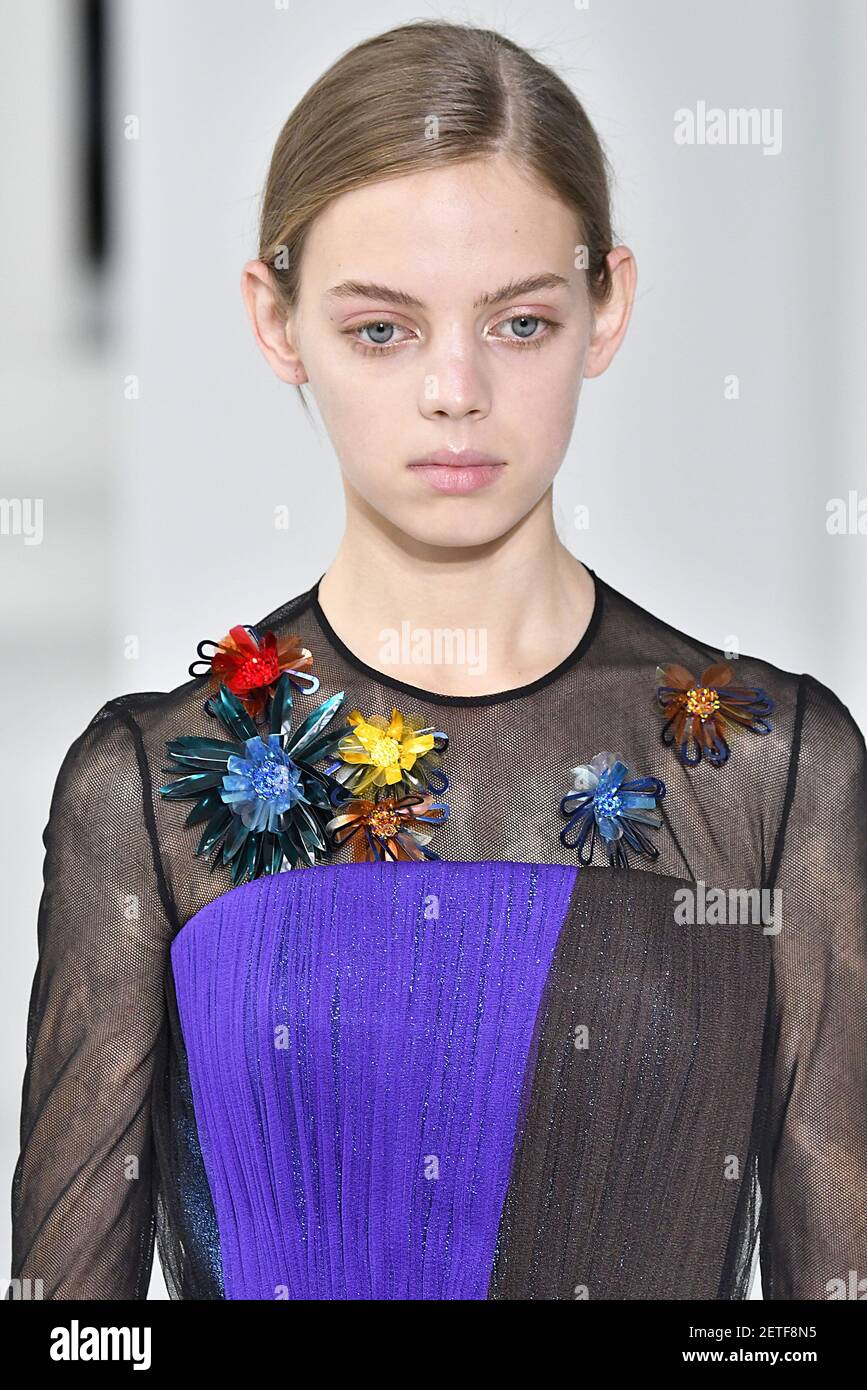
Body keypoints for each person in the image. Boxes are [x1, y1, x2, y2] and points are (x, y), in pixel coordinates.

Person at [8, 19, 866, 1301]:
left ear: (606, 305)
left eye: (518, 324)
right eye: (382, 330)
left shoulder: (774, 769)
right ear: (277, 318)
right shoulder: (144, 787)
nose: (455, 391)